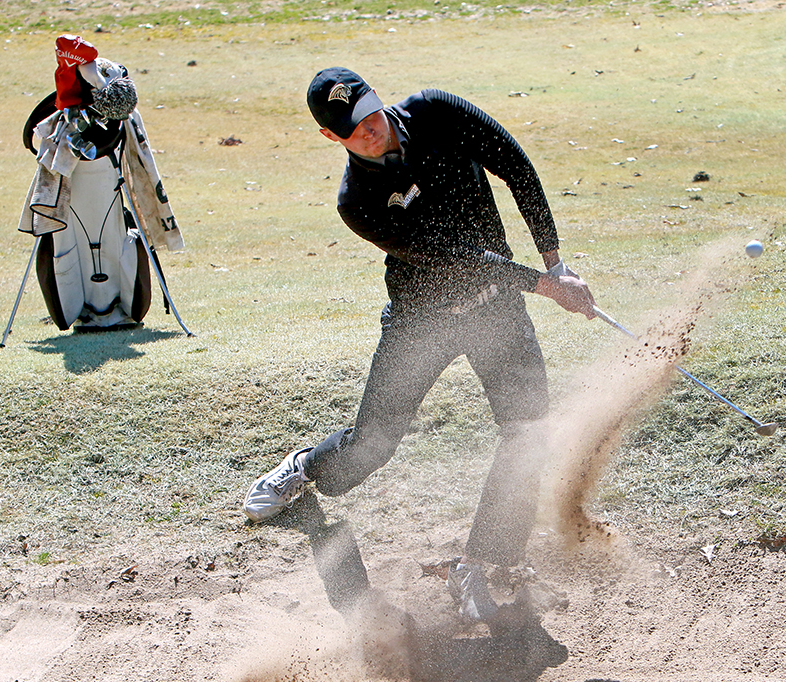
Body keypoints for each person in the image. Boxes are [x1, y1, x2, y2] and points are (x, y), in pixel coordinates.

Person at [243, 67, 595, 622]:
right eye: (353, 131)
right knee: (374, 444)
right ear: (330, 138)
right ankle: (306, 470)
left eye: (370, 114)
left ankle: (477, 565)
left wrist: (557, 262)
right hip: (420, 321)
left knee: (528, 432)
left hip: (496, 309)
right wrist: (545, 285)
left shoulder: (436, 112)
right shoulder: (356, 200)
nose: (370, 131)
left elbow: (516, 167)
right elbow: (455, 260)